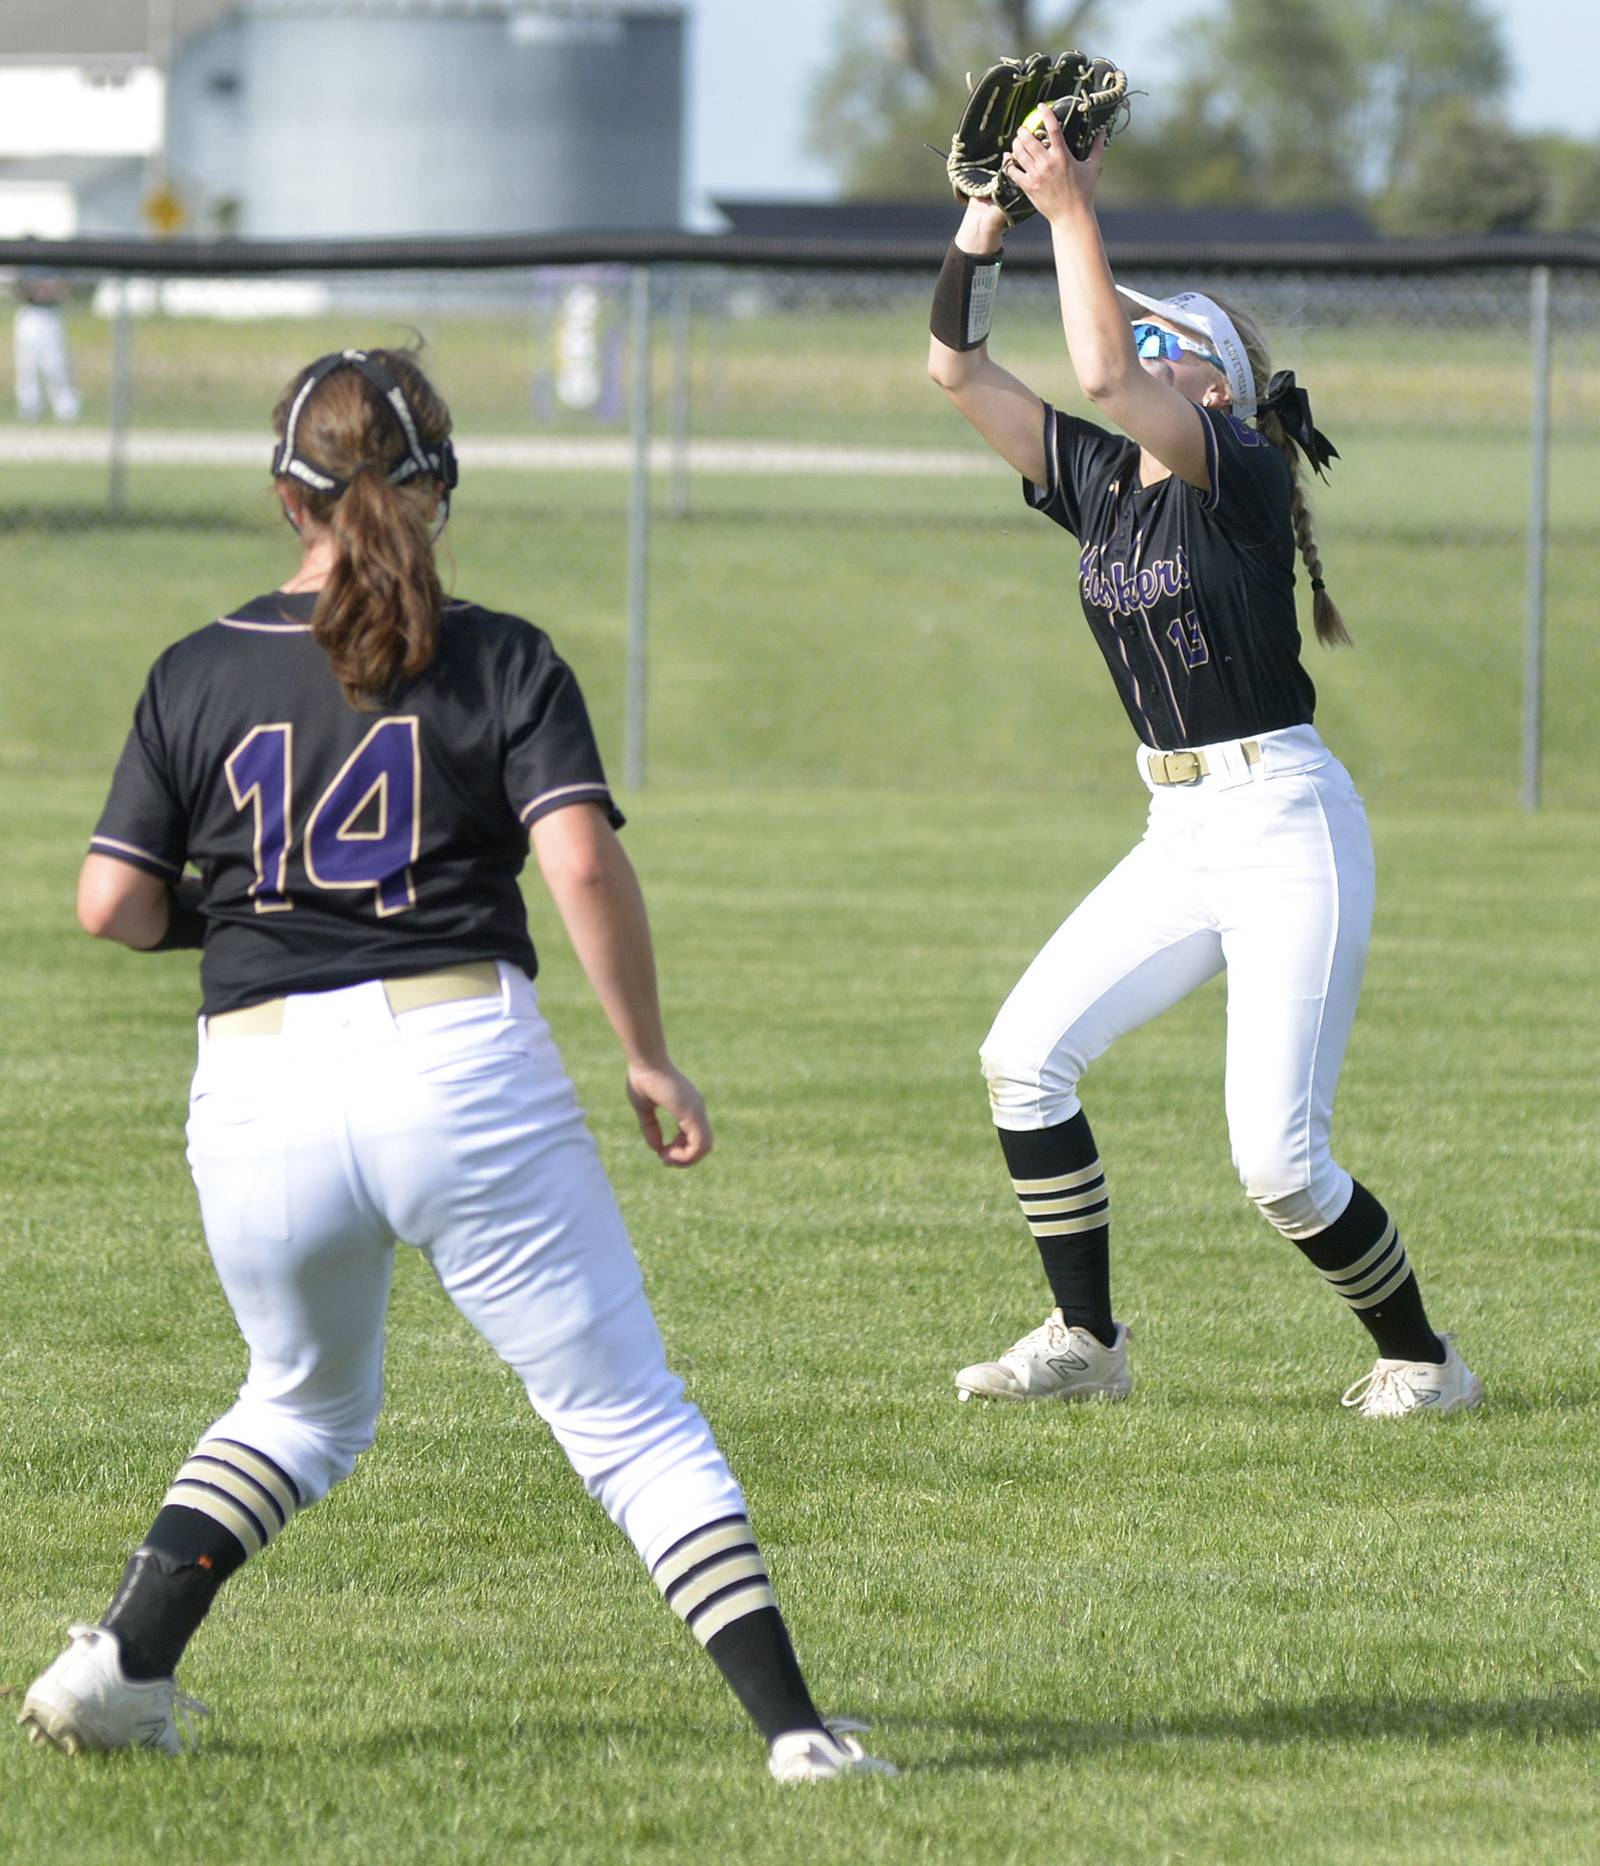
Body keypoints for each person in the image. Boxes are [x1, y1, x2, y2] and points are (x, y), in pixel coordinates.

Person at [18, 346, 894, 1784]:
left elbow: (110, 904)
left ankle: (119, 1661)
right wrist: (649, 1057)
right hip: (457, 1055)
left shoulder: (199, 664)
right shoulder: (499, 655)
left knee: (299, 1400)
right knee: (622, 1414)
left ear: (282, 496)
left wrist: (244, 917)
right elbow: (581, 866)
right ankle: (798, 1732)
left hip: (254, 1080)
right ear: (442, 491)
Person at [926, 110, 1481, 1420]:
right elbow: (955, 367)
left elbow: (1112, 376)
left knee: (1280, 1164)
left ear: (1217, 387)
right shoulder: (1106, 483)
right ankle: (1089, 1340)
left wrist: (1074, 212)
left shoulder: (1232, 466)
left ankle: (1426, 1359)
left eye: (1174, 346)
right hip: (1176, 830)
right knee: (1023, 1057)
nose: (1141, 356)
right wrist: (985, 218)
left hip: (1284, 820)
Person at [13, 264, 81, 422]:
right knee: (27, 365)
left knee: (55, 364)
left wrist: (51, 288)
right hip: (29, 313)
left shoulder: (57, 261)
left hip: (50, 314)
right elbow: (21, 286)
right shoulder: (26, 257)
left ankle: (66, 408)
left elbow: (64, 286)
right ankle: (29, 407)